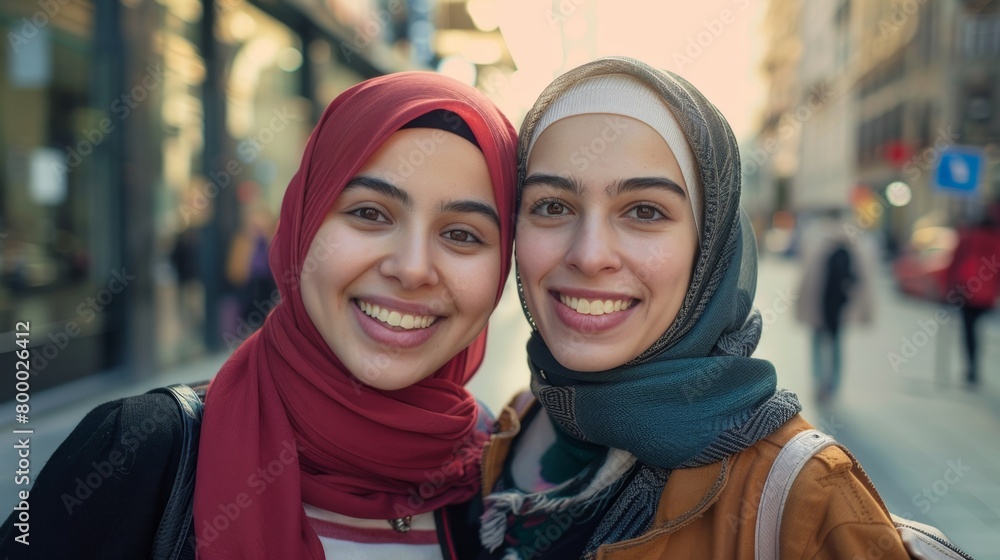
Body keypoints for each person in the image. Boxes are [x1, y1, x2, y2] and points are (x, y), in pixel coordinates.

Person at [0, 72, 518, 559]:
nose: (411, 269)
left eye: (461, 234)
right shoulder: (138, 452)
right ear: (301, 225)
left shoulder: (498, 474)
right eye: (369, 213)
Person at [476, 57, 914, 559]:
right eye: (552, 206)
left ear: (708, 248)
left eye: (644, 211)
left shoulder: (807, 499)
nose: (589, 255)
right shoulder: (514, 426)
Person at [795, 210, 875, 403]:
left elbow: (806, 283)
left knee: (821, 345)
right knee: (834, 345)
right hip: (835, 309)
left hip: (825, 308)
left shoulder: (819, 248)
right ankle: (829, 384)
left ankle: (823, 383)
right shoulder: (851, 251)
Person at [947, 204, 1000, 384]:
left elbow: (954, 262)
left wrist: (949, 287)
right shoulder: (997, 240)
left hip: (968, 289)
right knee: (978, 329)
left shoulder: (969, 237)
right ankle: (975, 366)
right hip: (987, 294)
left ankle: (971, 368)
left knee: (968, 330)